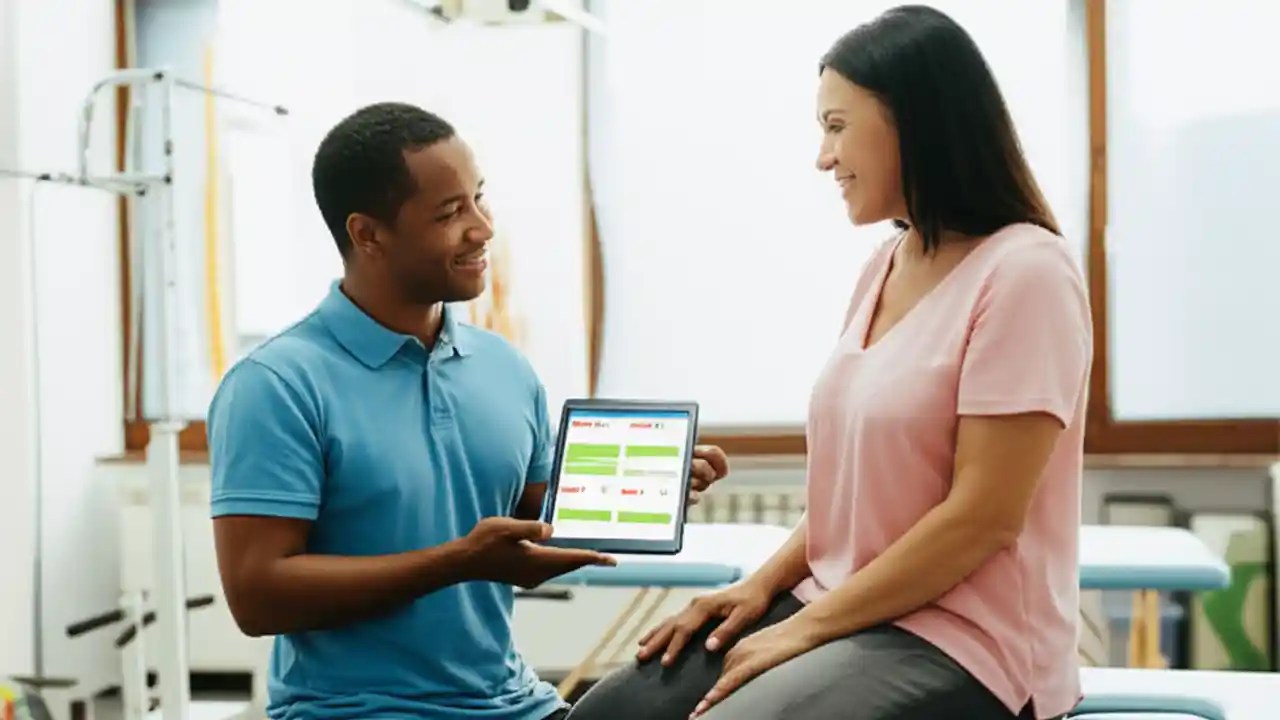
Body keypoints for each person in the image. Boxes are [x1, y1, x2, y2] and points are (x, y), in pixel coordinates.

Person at [567, 6, 1092, 720]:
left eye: (837, 126)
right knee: (609, 714)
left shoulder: (1027, 273)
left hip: (966, 637)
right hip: (845, 605)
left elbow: (982, 520)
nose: (823, 156)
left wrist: (802, 628)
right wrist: (762, 590)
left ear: (917, 121)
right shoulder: (886, 263)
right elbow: (854, 496)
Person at [206, 102, 731, 720]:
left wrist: (646, 485)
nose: (482, 228)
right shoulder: (275, 384)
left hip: (516, 705)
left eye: (479, 200)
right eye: (451, 213)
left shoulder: (503, 367)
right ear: (367, 234)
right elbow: (258, 598)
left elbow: (541, 510)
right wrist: (456, 563)